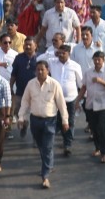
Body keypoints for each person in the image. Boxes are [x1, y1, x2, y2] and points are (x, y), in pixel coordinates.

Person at [17, 60, 69, 189]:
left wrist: (65, 121)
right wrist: (21, 117)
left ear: (48, 70)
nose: (40, 72)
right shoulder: (31, 84)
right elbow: (25, 101)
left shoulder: (54, 84)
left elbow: (61, 104)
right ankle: (49, 164)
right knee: (41, 146)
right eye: (38, 69)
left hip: (50, 121)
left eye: (42, 69)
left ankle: (45, 176)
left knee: (47, 147)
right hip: (35, 120)